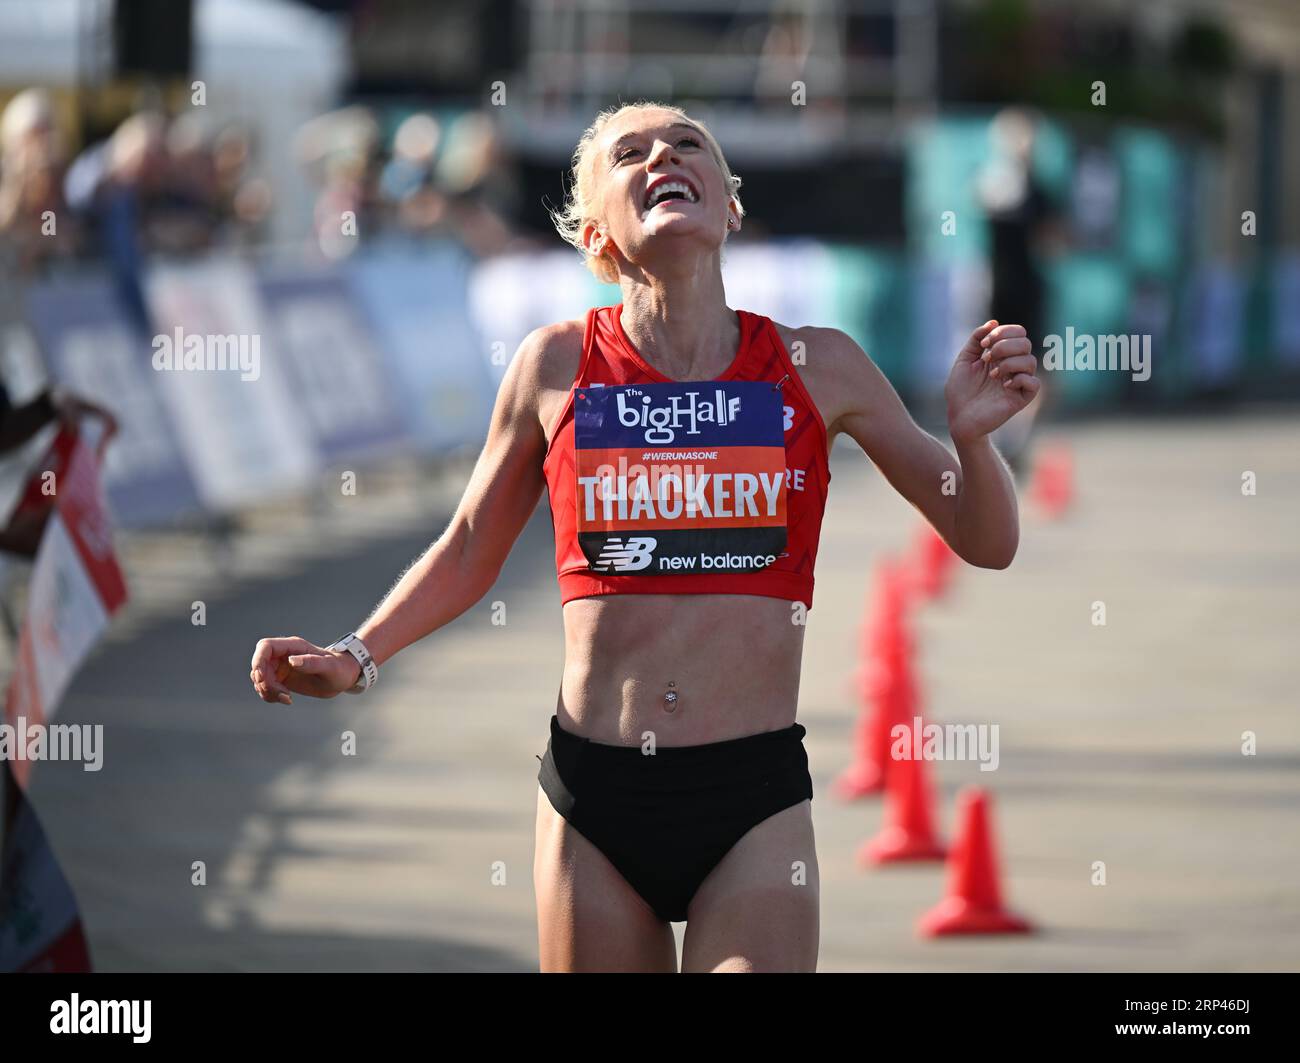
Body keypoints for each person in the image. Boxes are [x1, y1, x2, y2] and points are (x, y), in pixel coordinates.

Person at [249, 101, 1038, 973]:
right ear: (596, 234)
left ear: (730, 208)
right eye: (630, 153)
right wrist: (356, 654)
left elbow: (985, 539)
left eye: (687, 143)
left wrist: (973, 440)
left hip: (753, 801)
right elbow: (472, 542)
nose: (664, 155)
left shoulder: (822, 366)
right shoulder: (554, 368)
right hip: (597, 800)